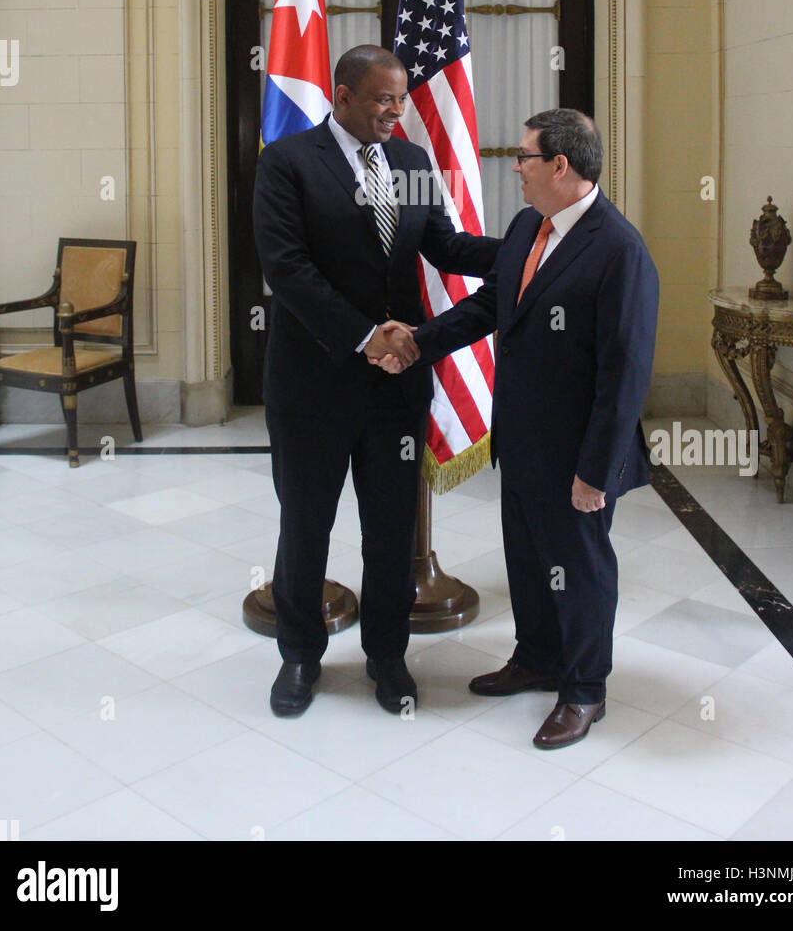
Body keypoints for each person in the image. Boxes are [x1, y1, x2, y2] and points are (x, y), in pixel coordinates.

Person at [373, 109, 658, 749]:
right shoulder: (531, 224)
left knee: (581, 570)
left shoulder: (619, 250)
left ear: (560, 165)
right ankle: (536, 658)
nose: (516, 168)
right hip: (522, 440)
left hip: (577, 455)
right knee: (528, 560)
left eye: (524, 157)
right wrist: (419, 342)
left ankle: (585, 690)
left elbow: (625, 374)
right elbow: (487, 304)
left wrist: (595, 472)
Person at [253, 44, 500, 717]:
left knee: (391, 529)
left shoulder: (412, 162)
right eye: (382, 100)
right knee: (306, 525)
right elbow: (288, 270)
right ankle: (300, 655)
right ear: (342, 96)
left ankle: (386, 658)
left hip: (397, 384)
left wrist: (528, 246)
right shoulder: (288, 163)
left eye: (400, 100)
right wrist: (366, 338)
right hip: (314, 385)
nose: (396, 112)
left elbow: (444, 246)